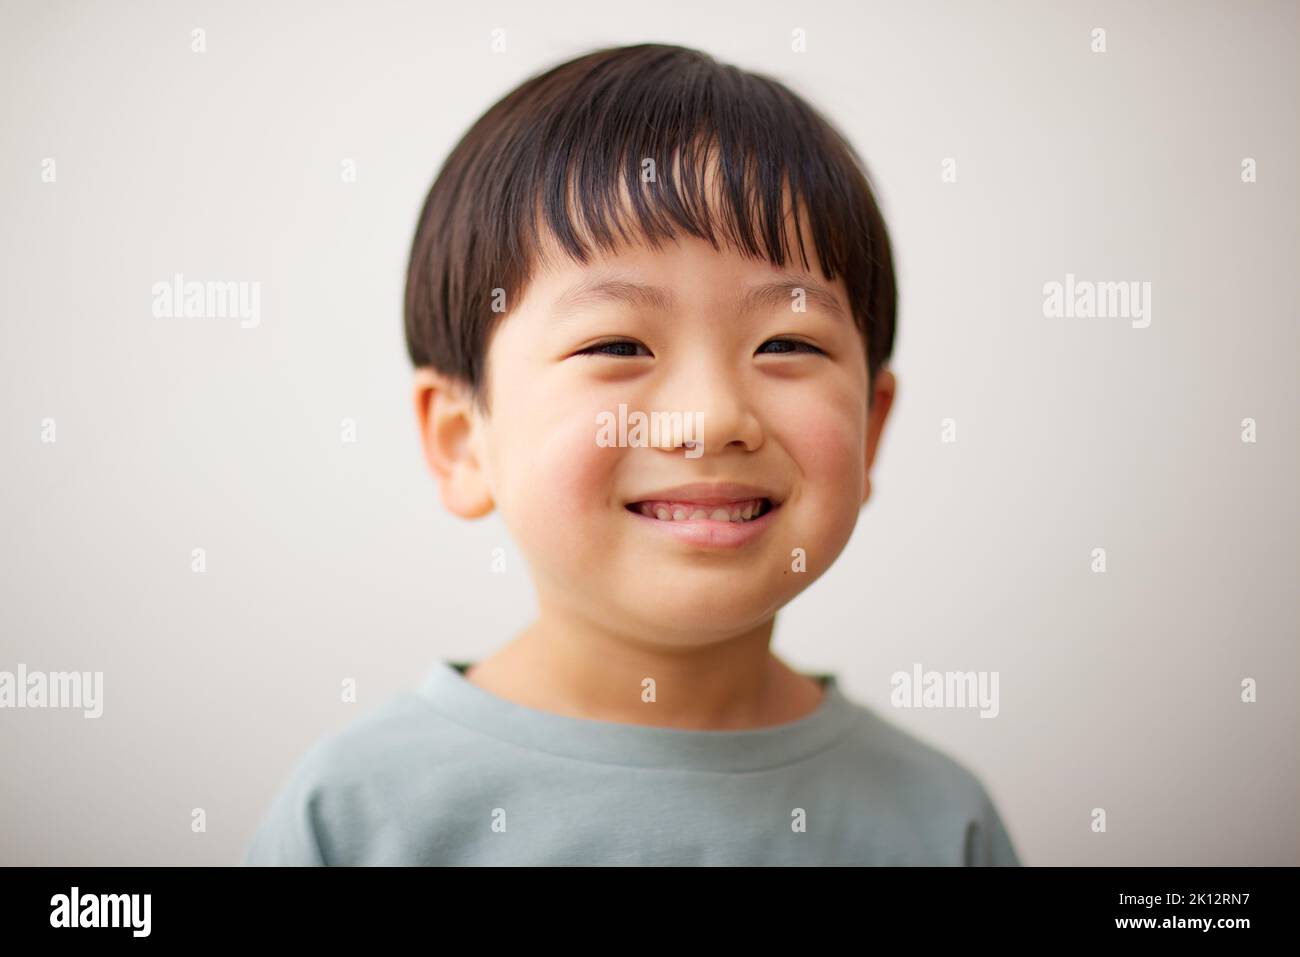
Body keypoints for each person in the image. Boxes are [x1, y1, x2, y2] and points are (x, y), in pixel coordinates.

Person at [244, 42, 1020, 866]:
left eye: (786, 342)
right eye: (617, 344)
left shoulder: (941, 823)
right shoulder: (356, 818)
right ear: (462, 439)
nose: (712, 419)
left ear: (872, 426)